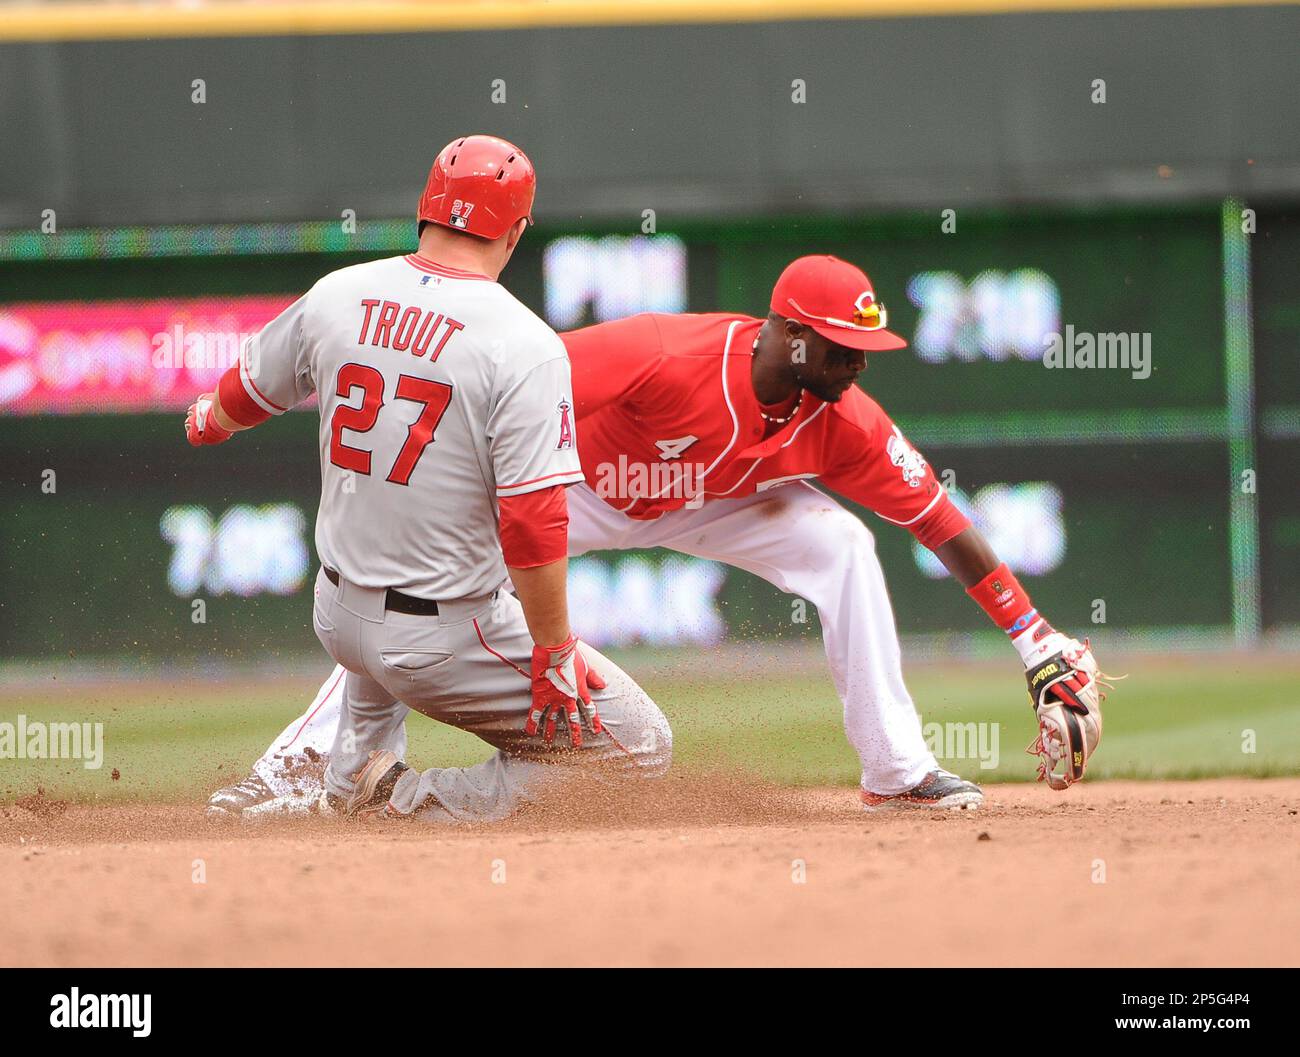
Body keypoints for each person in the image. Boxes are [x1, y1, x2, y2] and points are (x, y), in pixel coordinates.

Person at [208, 253, 1103, 819]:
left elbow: (943, 525)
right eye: (837, 345)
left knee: (845, 547)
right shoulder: (667, 353)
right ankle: (300, 763)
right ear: (787, 334)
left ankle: (897, 770)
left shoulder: (843, 417)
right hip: (582, 486)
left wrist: (1036, 638)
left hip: (719, 500)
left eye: (862, 349)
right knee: (424, 574)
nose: (855, 363)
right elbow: (534, 378)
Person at [188, 135, 670, 823]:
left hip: (336, 617)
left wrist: (209, 419)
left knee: (387, 616)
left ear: (426, 211)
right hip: (438, 639)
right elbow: (534, 520)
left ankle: (344, 773)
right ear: (517, 230)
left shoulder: (340, 293)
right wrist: (554, 651)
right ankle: (404, 800)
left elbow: (246, 389)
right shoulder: (524, 342)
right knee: (645, 748)